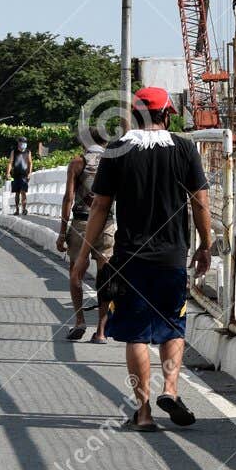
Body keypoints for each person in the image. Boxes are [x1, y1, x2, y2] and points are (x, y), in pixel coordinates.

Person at [71, 86, 211, 431]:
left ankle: (144, 412)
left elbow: (100, 206)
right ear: (167, 115)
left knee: (136, 336)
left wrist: (82, 256)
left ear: (134, 116)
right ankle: (170, 388)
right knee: (173, 327)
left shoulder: (117, 151)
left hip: (129, 258)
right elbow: (200, 202)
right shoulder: (184, 148)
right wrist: (206, 245)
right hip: (172, 256)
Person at [55, 141, 115, 343]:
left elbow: (68, 198)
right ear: (105, 143)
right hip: (106, 224)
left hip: (81, 223)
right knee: (105, 277)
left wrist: (62, 232)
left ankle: (80, 320)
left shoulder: (77, 163)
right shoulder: (112, 161)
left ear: (84, 143)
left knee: (76, 273)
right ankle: (101, 330)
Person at [9, 138, 32, 216]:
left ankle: (24, 209)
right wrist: (8, 173)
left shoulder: (28, 152)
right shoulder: (14, 152)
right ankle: (17, 209)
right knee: (17, 193)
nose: (23, 143)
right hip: (15, 175)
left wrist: (29, 173)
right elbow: (10, 163)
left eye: (25, 142)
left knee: (23, 192)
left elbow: (30, 163)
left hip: (24, 175)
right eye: (22, 142)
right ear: (18, 143)